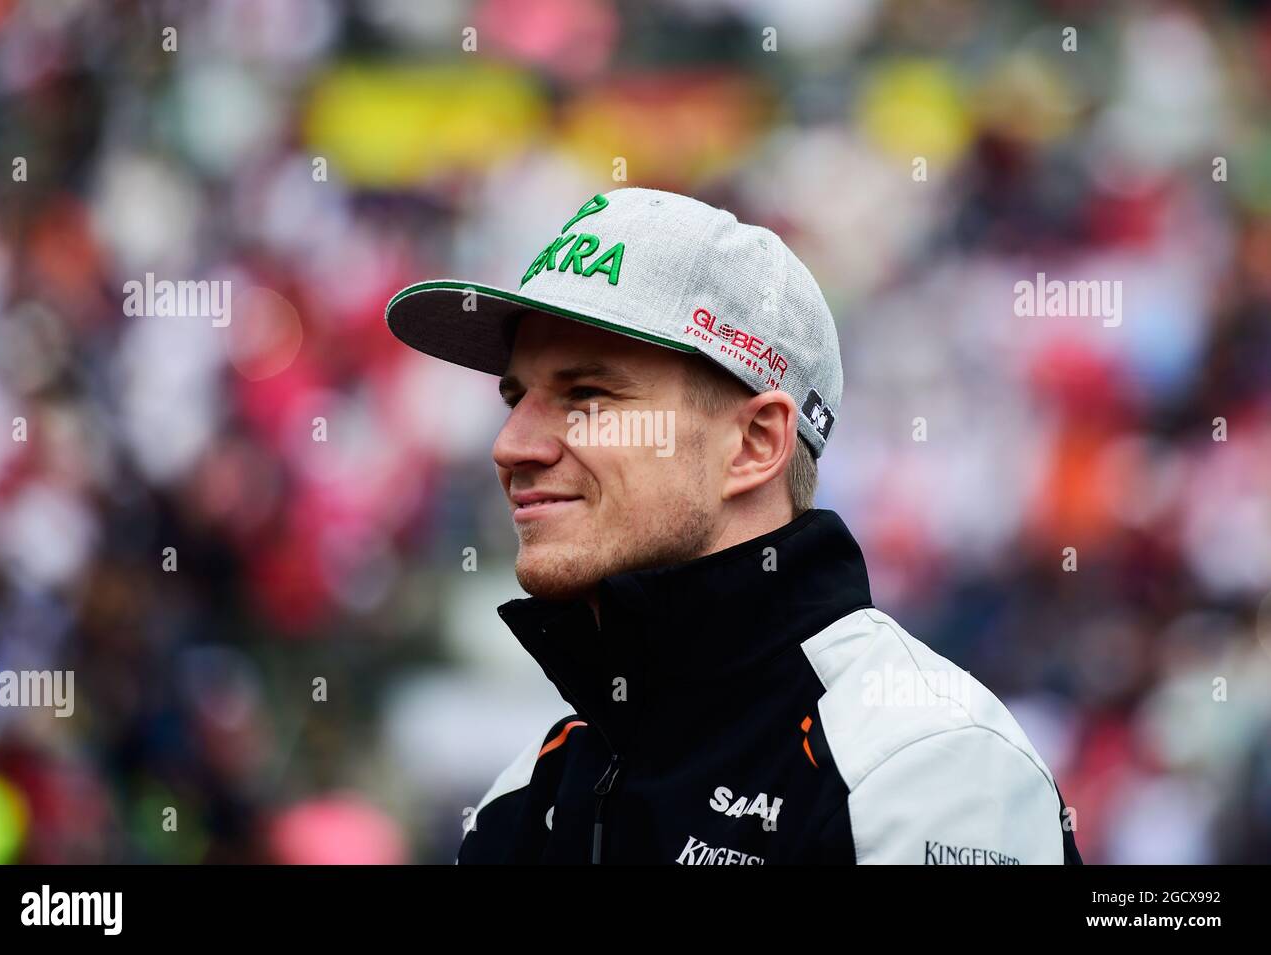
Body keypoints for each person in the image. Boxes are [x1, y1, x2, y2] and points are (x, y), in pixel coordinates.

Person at [385, 187, 1082, 864]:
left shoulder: (921, 766)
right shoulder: (528, 793)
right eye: (516, 396)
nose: (510, 445)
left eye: (586, 395)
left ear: (753, 444)